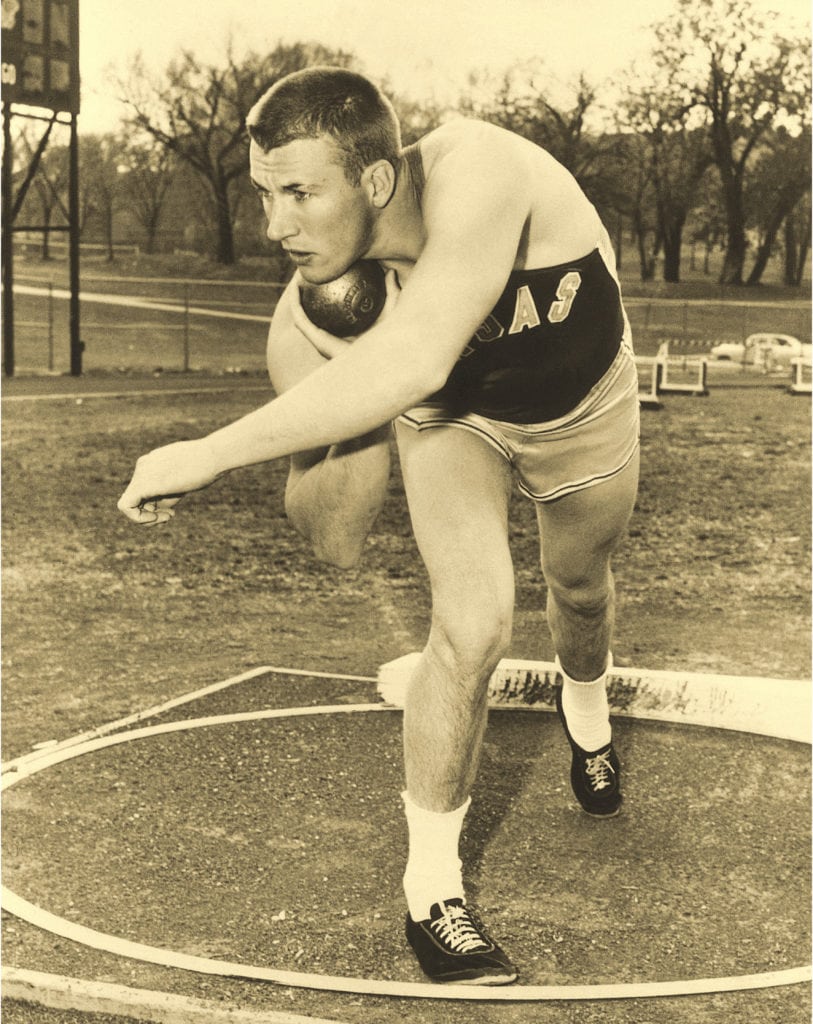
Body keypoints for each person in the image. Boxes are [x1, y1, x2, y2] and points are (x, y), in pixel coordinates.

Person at [118, 66, 640, 986]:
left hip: (582, 405)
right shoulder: (308, 320)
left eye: (299, 193)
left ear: (378, 181)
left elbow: (422, 348)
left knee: (578, 586)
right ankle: (432, 896)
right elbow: (337, 537)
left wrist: (208, 451)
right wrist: (346, 411)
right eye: (263, 195)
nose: (275, 226)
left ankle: (585, 715)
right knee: (472, 622)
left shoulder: (484, 168)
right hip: (453, 422)